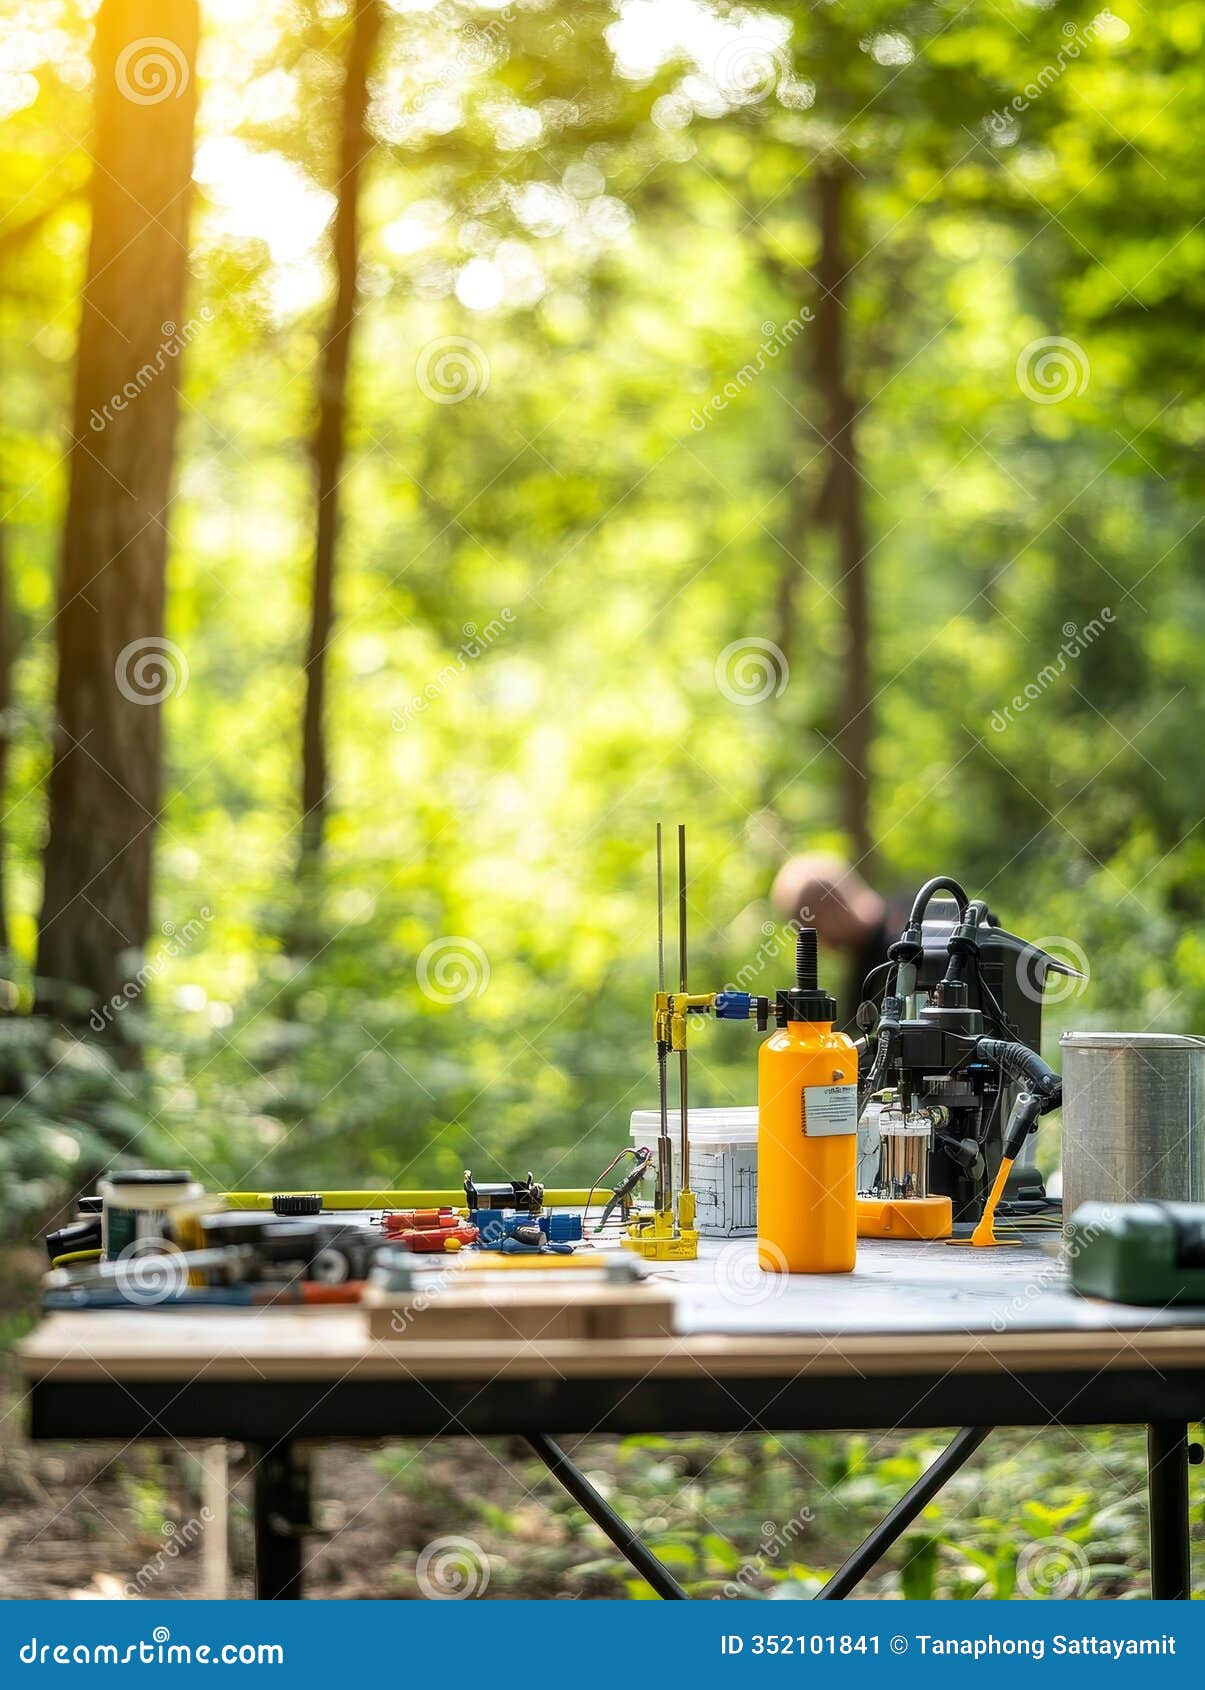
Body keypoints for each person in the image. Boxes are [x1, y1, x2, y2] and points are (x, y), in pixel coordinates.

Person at [770, 853, 905, 1021]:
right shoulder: (911, 911)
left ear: (830, 908)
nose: (820, 945)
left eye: (812, 931)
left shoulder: (895, 954)